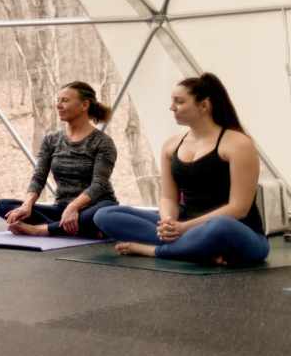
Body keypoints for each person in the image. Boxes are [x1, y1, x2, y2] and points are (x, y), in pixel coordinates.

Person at [93, 73, 268, 266]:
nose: (172, 107)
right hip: (184, 225)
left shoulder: (238, 144)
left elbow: (239, 209)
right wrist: (168, 223)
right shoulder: (171, 146)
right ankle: (194, 249)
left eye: (179, 102)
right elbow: (168, 198)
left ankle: (155, 250)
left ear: (204, 105)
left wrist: (184, 228)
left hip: (236, 231)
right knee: (104, 215)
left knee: (220, 226)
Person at [0, 81, 118, 238]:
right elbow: (39, 177)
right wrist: (27, 205)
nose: (58, 105)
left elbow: (99, 185)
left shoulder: (103, 142)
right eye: (57, 101)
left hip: (94, 206)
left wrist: (73, 207)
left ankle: (41, 230)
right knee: (3, 206)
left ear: (84, 105)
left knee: (102, 213)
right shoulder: (51, 140)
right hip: (61, 209)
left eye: (65, 100)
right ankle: (74, 228)